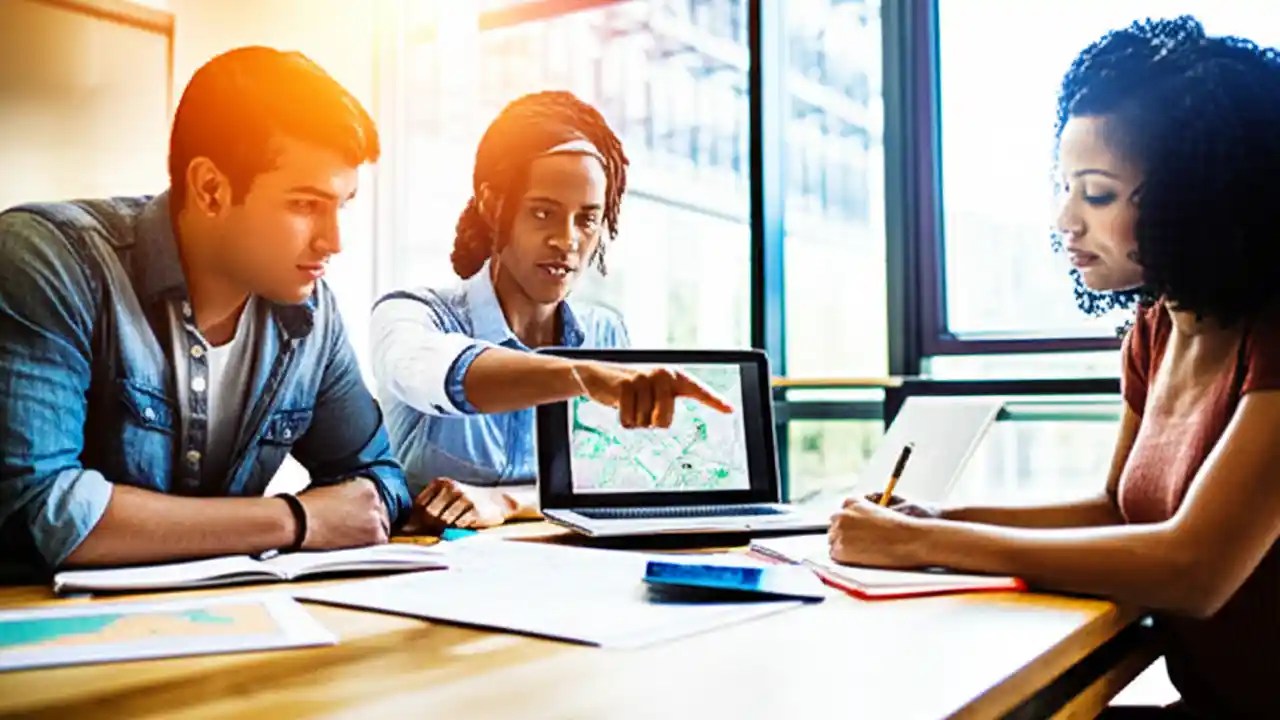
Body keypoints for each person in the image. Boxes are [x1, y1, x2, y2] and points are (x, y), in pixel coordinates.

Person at [827, 17, 1280, 718]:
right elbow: (1113, 510)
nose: (1065, 219)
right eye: (1064, 187)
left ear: (1201, 198)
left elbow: (1197, 569)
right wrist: (935, 516)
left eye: (1096, 194)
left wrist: (926, 542)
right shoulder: (1156, 331)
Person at [0, 46, 412, 574]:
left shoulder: (312, 314)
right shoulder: (49, 259)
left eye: (343, 205)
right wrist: (295, 520)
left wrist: (347, 508)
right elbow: (37, 510)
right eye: (305, 205)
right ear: (211, 189)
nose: (334, 241)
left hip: (224, 628)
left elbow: (378, 479)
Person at [371, 91, 730, 531]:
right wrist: (585, 376)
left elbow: (609, 485)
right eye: (543, 213)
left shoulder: (605, 331)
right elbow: (437, 372)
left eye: (587, 219)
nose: (567, 240)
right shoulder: (413, 315)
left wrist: (506, 501)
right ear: (492, 204)